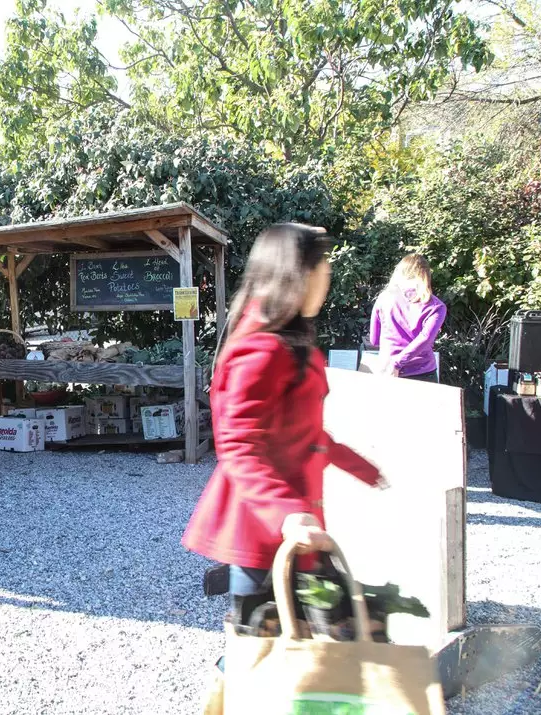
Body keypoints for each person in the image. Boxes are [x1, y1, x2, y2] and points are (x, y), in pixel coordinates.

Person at [182, 225, 388, 674]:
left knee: (293, 641)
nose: (328, 278)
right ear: (296, 274)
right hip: (262, 527)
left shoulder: (291, 338)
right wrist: (288, 513)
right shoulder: (261, 347)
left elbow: (304, 432)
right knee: (258, 649)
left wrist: (359, 466)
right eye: (323, 267)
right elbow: (239, 446)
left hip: (291, 522)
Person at [370, 254, 447, 383]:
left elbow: (374, 340)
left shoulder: (384, 298)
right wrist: (398, 363)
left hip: (387, 372)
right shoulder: (437, 306)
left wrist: (393, 362)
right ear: (426, 275)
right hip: (422, 373)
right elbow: (425, 338)